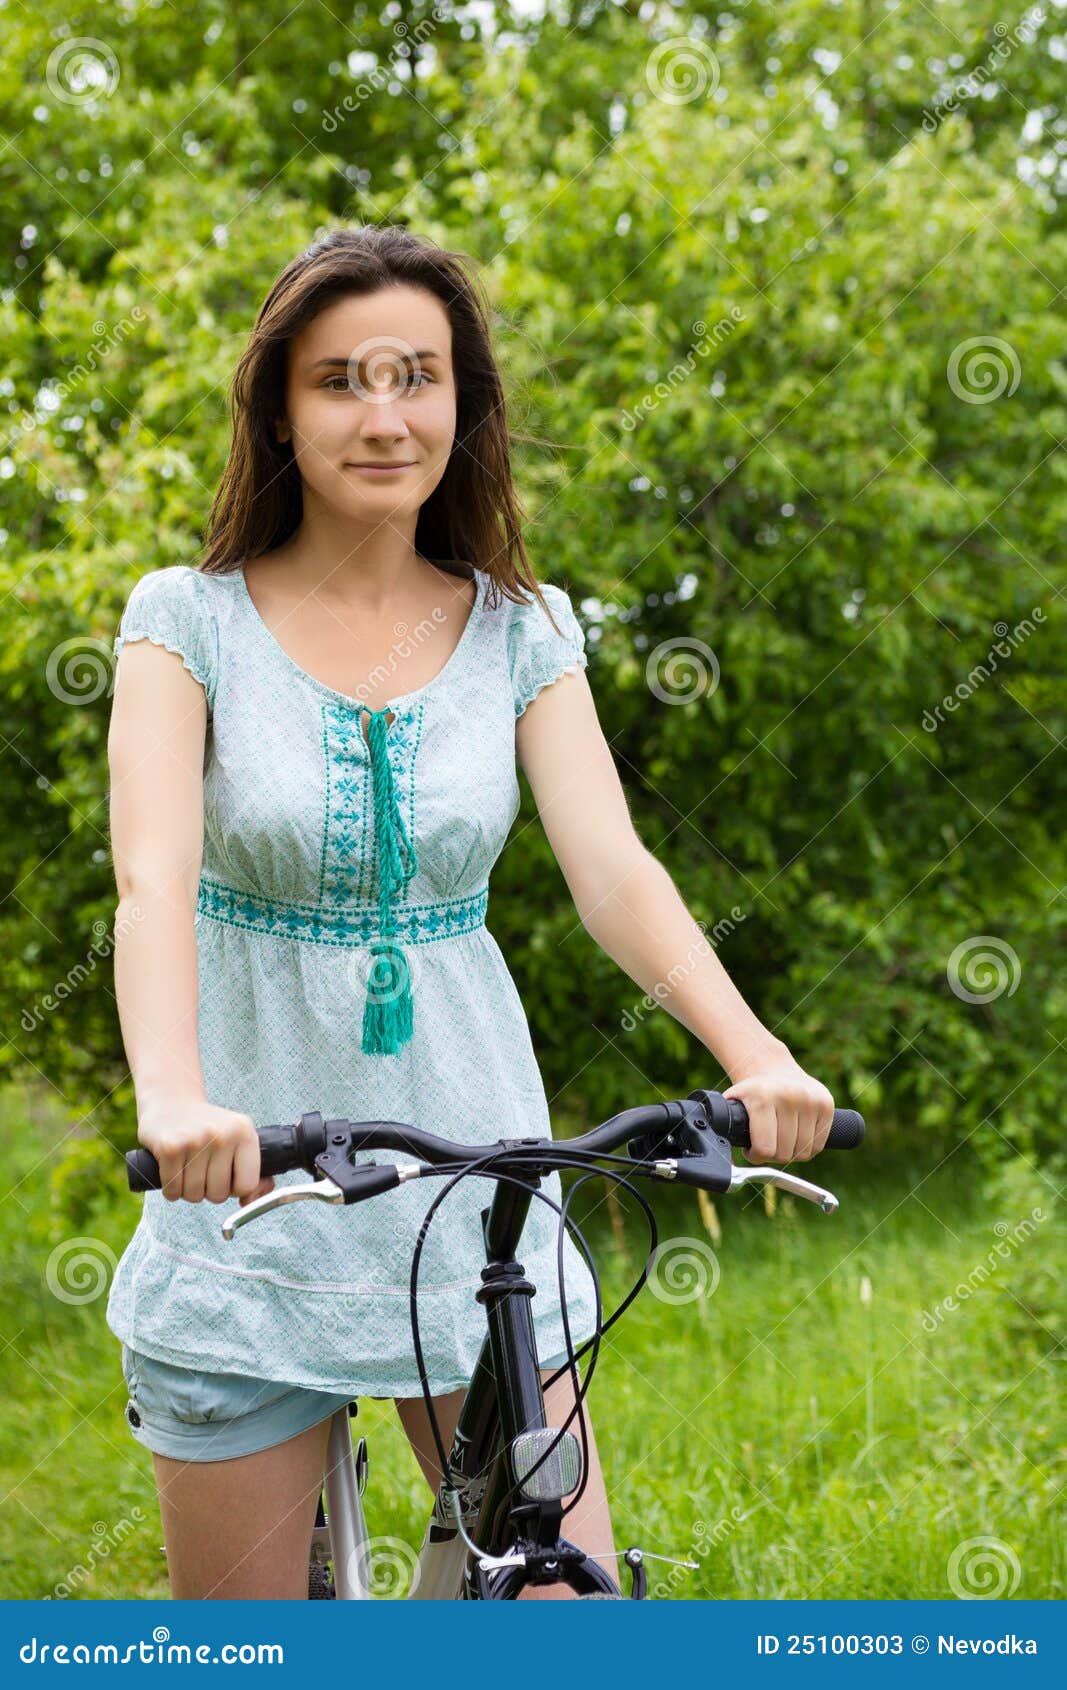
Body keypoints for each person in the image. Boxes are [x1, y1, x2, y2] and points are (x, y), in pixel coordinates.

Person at [105, 224, 835, 1600]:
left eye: (418, 375)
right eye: (339, 380)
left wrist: (758, 1056)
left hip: (476, 1194)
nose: (385, 416)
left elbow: (615, 871)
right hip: (247, 1193)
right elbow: (149, 876)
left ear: (464, 400)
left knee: (560, 1616)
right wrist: (175, 1099)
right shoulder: (183, 620)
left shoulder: (523, 627)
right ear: (278, 406)